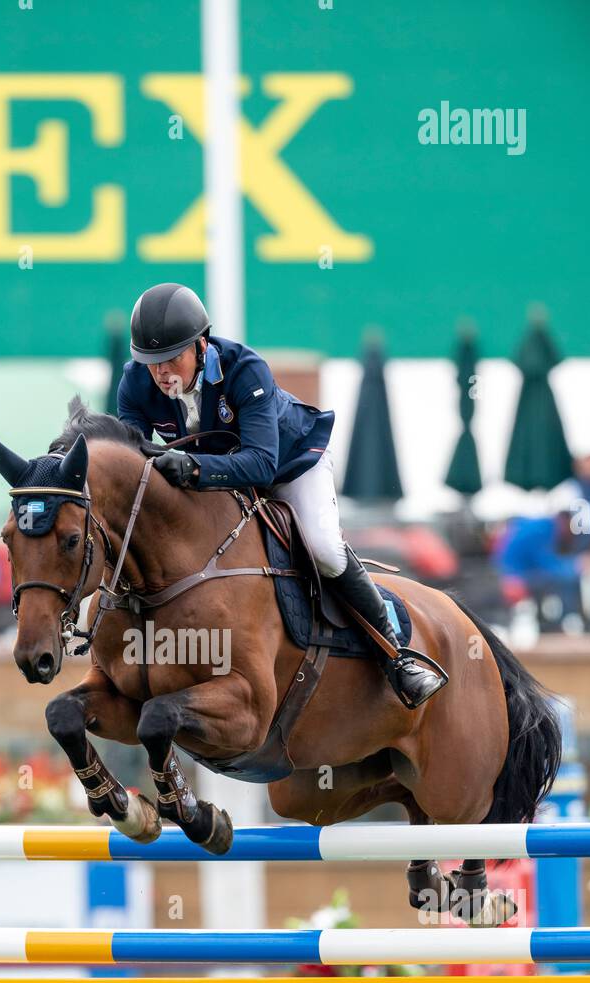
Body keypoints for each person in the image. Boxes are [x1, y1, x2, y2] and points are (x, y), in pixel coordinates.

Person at [117, 282, 443, 707]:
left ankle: (397, 658)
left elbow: (260, 465)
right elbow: (134, 466)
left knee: (325, 550)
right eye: (152, 362)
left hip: (289, 465)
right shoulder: (134, 385)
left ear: (201, 345)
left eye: (171, 357)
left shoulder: (244, 369)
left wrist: (195, 468)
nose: (161, 372)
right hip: (217, 479)